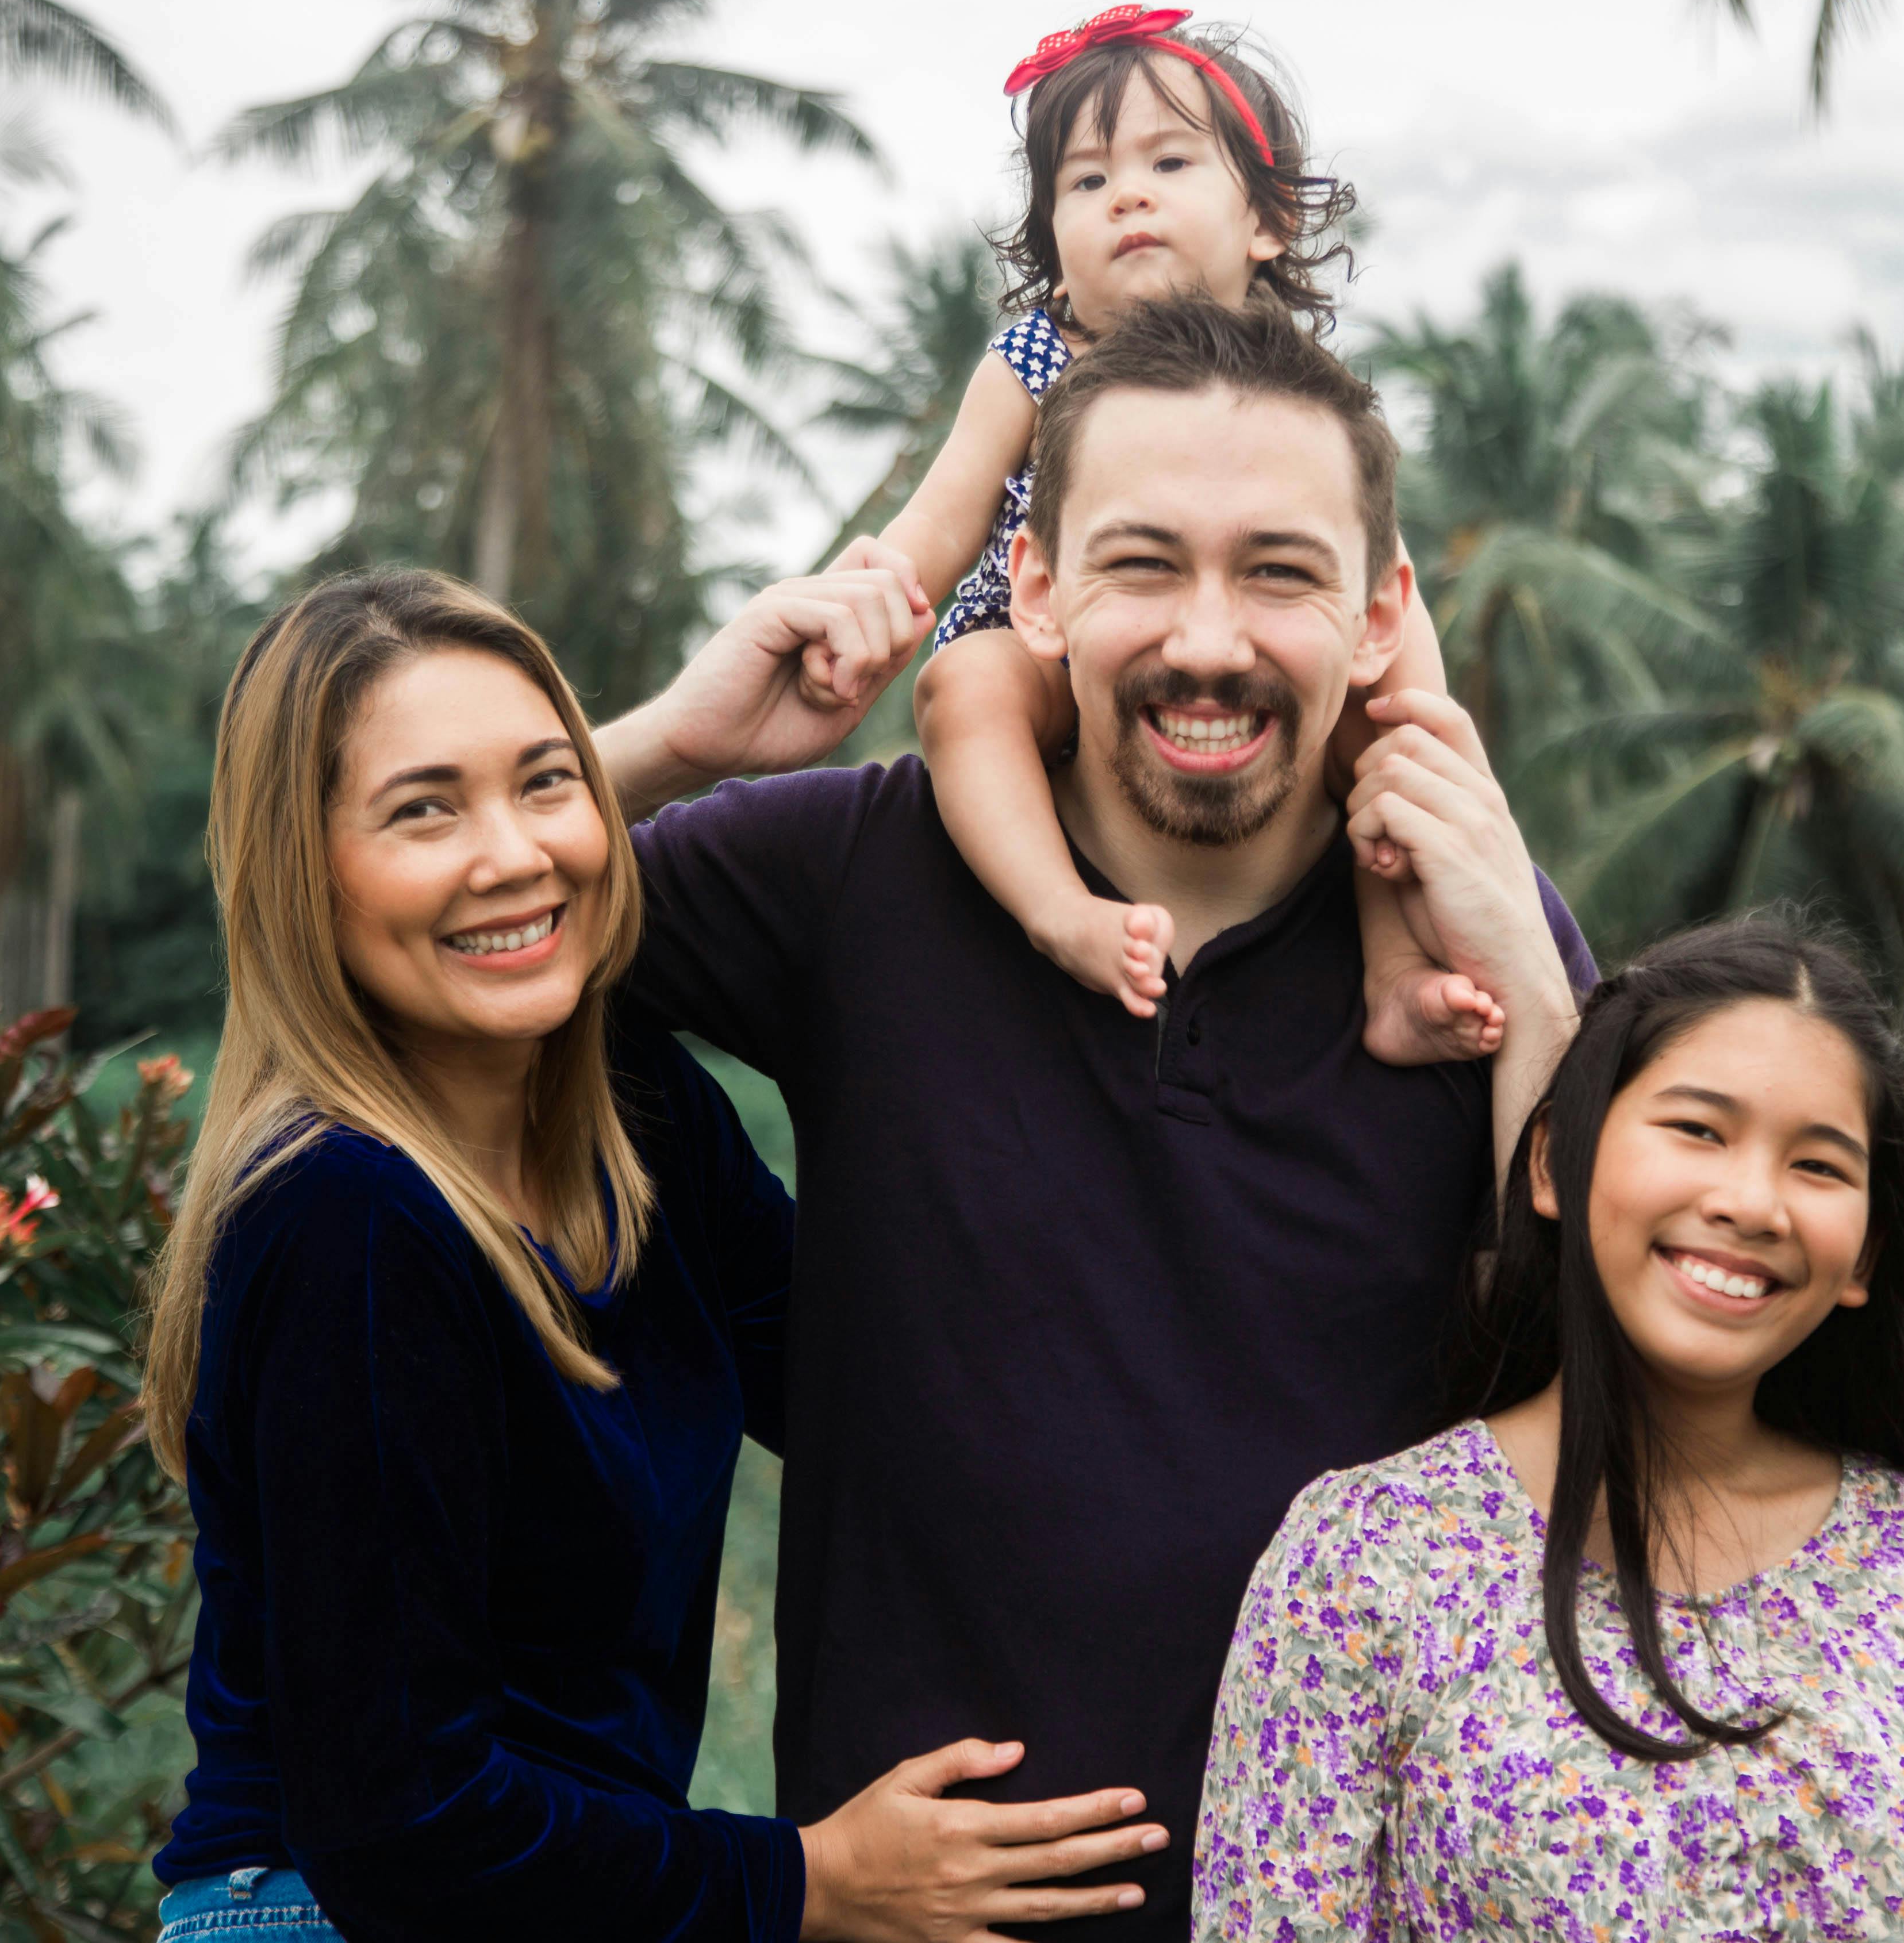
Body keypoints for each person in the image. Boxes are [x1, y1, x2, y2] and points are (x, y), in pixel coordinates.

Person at [593, 293, 1598, 1942]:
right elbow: (406, 938)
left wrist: (1544, 1006)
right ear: (1041, 588)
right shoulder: (856, 873)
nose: (1210, 641)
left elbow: (1604, 1413)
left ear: (1379, 611)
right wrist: (669, 748)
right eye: (1145, 564)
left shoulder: (1474, 936)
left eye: (1280, 571)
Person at [140, 571, 1165, 1943]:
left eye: (546, 783)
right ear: (302, 869)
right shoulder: (348, 1221)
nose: (509, 854)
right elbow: (403, 1824)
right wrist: (810, 1882)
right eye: (422, 809)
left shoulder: (631, 1117)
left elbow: (873, 1391)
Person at [1192, 913, 1904, 1940]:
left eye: (1818, 1166)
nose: (1753, 1202)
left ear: (1864, 1258)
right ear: (1553, 1163)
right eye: (1699, 1130)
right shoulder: (1362, 1561)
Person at [859, 2, 1492, 1064]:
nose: (1129, 195)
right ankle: (1058, 910)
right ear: (1054, 248)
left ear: (1267, 220)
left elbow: (1373, 584)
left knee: (1391, 740)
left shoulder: (1300, 394)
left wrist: (1410, 725)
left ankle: (1392, 971)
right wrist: (854, 600)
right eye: (1088, 181)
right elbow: (939, 521)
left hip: (1256, 648)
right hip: (1038, 632)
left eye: (1168, 161)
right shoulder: (1028, 359)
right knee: (963, 693)